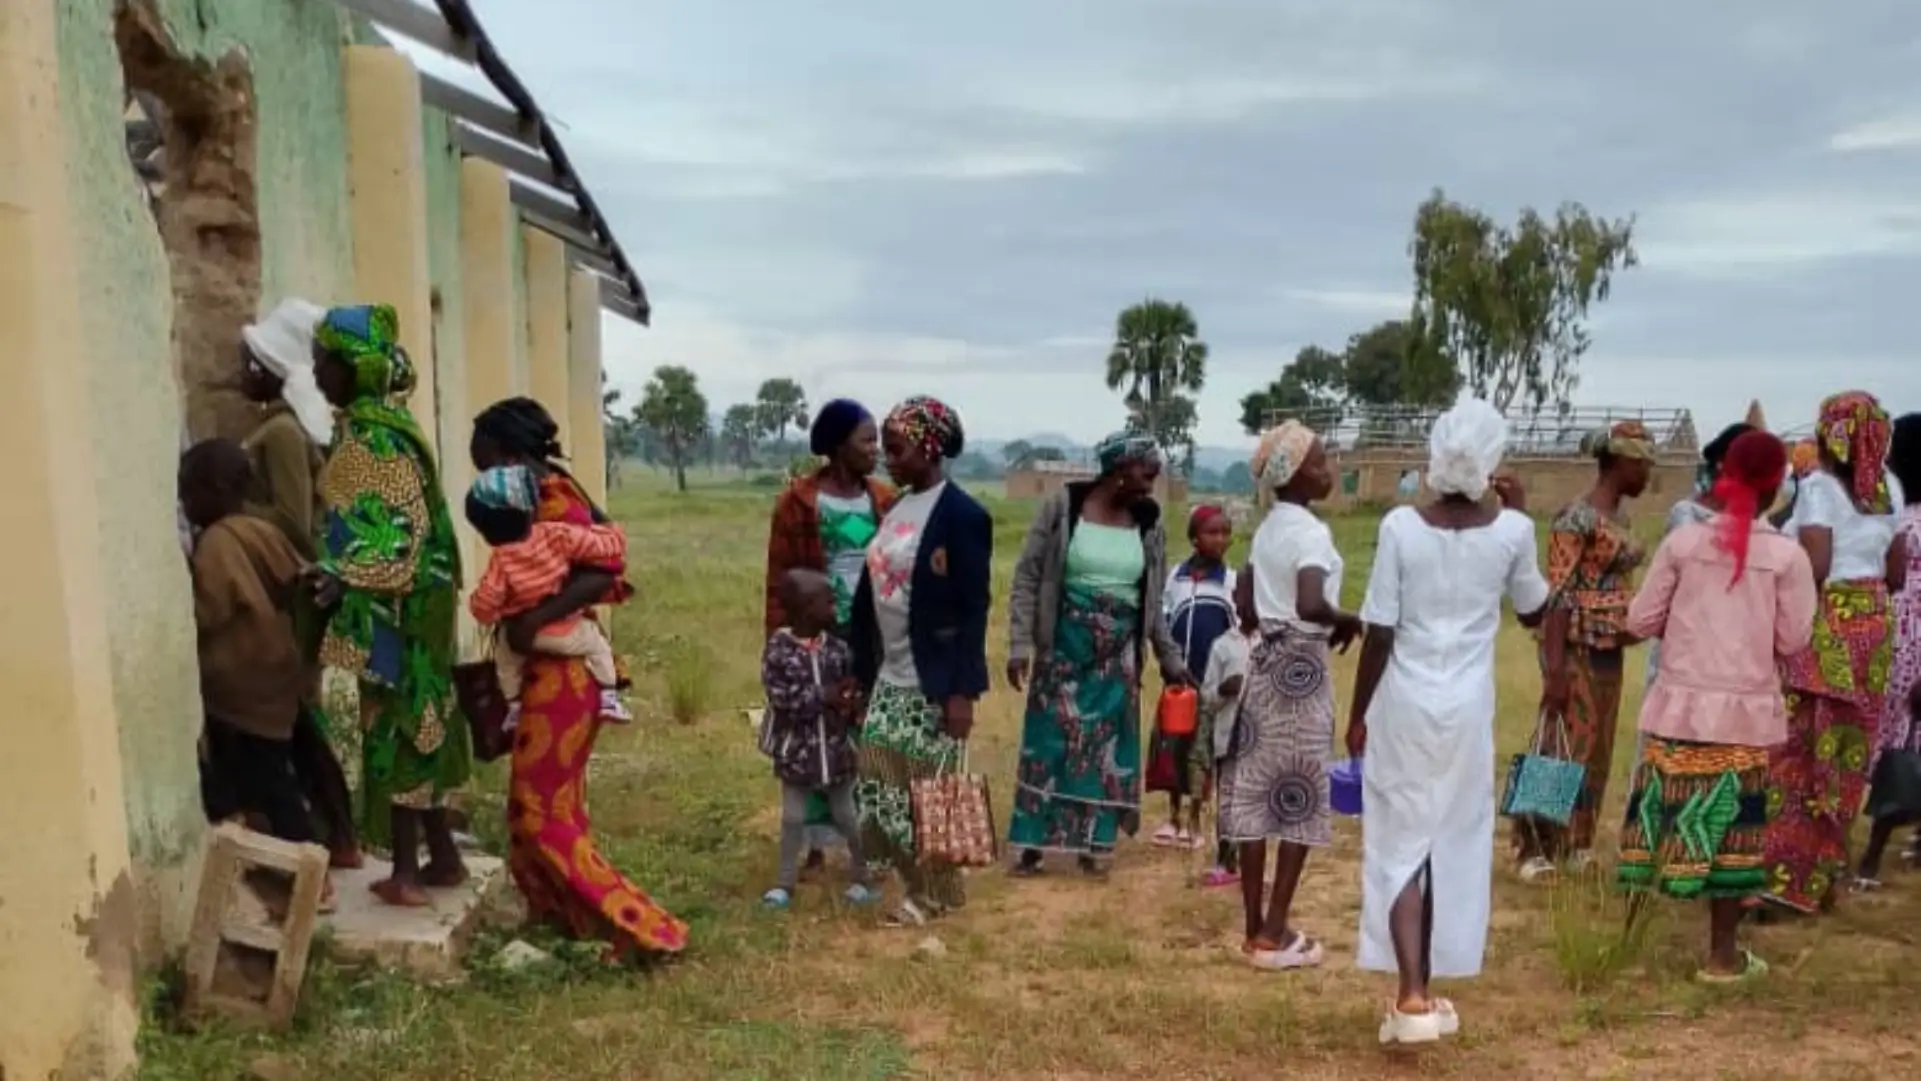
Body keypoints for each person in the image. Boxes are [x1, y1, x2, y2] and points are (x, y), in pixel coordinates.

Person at [1344, 400, 1546, 1043]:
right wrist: (1520, 514)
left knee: (1401, 841)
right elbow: (1537, 611)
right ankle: (1422, 992)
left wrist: (1357, 716)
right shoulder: (1513, 532)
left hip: (1403, 703)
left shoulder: (1400, 527)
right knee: (1453, 841)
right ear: (1490, 461)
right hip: (1466, 712)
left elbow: (1379, 630)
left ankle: (1411, 996)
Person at [471, 398, 687, 958]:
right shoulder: (533, 492)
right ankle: (565, 918)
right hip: (550, 666)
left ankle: (638, 929)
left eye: (481, 442)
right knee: (545, 805)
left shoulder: (549, 498)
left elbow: (605, 571)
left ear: (506, 449)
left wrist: (536, 620)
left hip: (563, 672)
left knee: (539, 810)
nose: (474, 453)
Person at [1618, 429, 1815, 982]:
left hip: (1676, 707)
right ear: (1779, 483)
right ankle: (1722, 959)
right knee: (1734, 833)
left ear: (1724, 473)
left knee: (1653, 817)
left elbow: (1640, 621)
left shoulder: (1682, 543)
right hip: (1744, 717)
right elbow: (1795, 638)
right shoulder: (1786, 557)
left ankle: (1626, 941)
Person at [310, 303, 470, 908]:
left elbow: (393, 536)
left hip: (398, 607)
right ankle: (445, 858)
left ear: (353, 366)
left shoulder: (371, 437)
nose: (318, 371)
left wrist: (339, 575)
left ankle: (405, 871)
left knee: (398, 726)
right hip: (419, 601)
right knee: (424, 718)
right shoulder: (386, 423)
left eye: (325, 360)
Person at [1006, 432, 1187, 877]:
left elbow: (1153, 599)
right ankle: (1032, 844)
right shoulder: (1063, 508)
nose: (1152, 481)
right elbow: (1028, 576)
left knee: (1106, 748)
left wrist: (1170, 658)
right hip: (1064, 646)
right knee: (1050, 742)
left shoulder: (1148, 522)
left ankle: (1094, 843)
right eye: (1146, 472)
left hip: (1118, 654)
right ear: (1119, 469)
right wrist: (1018, 644)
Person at [1220, 420, 1361, 971]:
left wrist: (1267, 626)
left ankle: (1254, 927)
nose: (1329, 472)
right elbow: (1308, 601)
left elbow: (1247, 599)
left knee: (1257, 798)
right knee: (1299, 795)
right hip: (1302, 670)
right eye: (1322, 463)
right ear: (1298, 474)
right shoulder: (1309, 533)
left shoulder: (1267, 528)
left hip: (1263, 668)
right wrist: (1348, 619)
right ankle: (1277, 932)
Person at [848, 396, 992, 928]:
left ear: (929, 448)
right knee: (877, 785)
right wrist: (857, 670)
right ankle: (923, 883)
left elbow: (974, 608)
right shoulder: (894, 510)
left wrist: (962, 692)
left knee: (931, 794)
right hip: (891, 672)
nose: (887, 457)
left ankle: (929, 895)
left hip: (935, 681)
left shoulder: (963, 515)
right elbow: (870, 595)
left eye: (897, 447)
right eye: (885, 447)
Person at [1761, 391, 1908, 912]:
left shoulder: (1819, 487)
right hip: (1873, 630)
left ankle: (1785, 880)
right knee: (1846, 758)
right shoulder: (1889, 487)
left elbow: (1816, 565)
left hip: (1828, 625)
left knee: (1797, 753)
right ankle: (1821, 877)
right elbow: (1895, 573)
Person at [181, 439, 336, 910]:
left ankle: (312, 879)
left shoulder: (217, 544)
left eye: (188, 492)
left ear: (212, 490)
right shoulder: (262, 529)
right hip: (277, 674)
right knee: (274, 773)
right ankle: (287, 865)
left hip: (239, 686)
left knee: (267, 784)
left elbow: (206, 612)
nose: (185, 504)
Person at [237, 297, 361, 869]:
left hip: (292, 593)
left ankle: (335, 836)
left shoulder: (284, 434)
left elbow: (294, 520)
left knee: (297, 721)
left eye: (249, 362)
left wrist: (233, 515)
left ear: (270, 370)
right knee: (296, 719)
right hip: (288, 591)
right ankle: (335, 835)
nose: (241, 373)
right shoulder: (278, 427)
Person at [1518, 420, 1655, 883]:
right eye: (1643, 464)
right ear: (1619, 463)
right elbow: (1556, 593)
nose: (1648, 474)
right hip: (1572, 645)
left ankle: (1577, 842)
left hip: (1609, 646)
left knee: (1596, 749)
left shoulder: (1622, 520)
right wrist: (1554, 669)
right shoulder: (1573, 518)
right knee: (1560, 744)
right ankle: (1534, 846)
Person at [765, 399, 898, 871]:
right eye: (867, 440)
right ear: (839, 445)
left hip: (872, 629)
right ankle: (815, 840)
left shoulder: (883, 499)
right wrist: (780, 642)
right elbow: (781, 575)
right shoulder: (799, 502)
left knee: (865, 725)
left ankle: (865, 831)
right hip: (819, 628)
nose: (876, 450)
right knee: (817, 725)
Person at [464, 466, 632, 726]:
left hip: (522, 638)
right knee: (598, 645)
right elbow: (602, 546)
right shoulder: (556, 534)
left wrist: (485, 610)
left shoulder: (501, 560)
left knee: (505, 661)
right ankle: (609, 695)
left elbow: (485, 604)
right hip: (566, 632)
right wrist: (614, 535)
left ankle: (514, 706)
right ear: (531, 510)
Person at [760, 569, 880, 910]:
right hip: (796, 752)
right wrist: (826, 695)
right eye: (828, 602)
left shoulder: (838, 650)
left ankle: (864, 878)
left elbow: (850, 689)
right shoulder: (778, 652)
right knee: (793, 817)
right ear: (805, 610)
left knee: (848, 816)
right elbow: (782, 699)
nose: (835, 608)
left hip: (837, 750)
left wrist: (851, 700)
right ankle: (784, 884)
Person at [1148, 504, 1238, 850]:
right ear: (1193, 538)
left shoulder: (1229, 583)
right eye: (1212, 532)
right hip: (1176, 681)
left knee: (1201, 752)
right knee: (1173, 746)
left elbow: (1236, 633)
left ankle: (1195, 820)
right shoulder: (1176, 578)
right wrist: (1167, 664)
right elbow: (1163, 620)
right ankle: (1172, 816)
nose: (1220, 539)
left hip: (1209, 684)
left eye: (1225, 533)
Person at [1860, 414, 1921, 881]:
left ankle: (1871, 857)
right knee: (1895, 743)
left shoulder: (1892, 513)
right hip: (1894, 641)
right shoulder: (1888, 510)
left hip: (1903, 647)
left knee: (1895, 744)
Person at [1193, 565, 1257, 888]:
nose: (1255, 601)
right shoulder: (1224, 645)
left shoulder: (1274, 643)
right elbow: (1206, 696)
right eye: (1248, 593)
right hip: (1229, 737)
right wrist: (1224, 690)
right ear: (1234, 597)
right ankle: (1226, 860)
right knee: (1229, 801)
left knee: (1258, 802)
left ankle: (1254, 864)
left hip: (1263, 740)